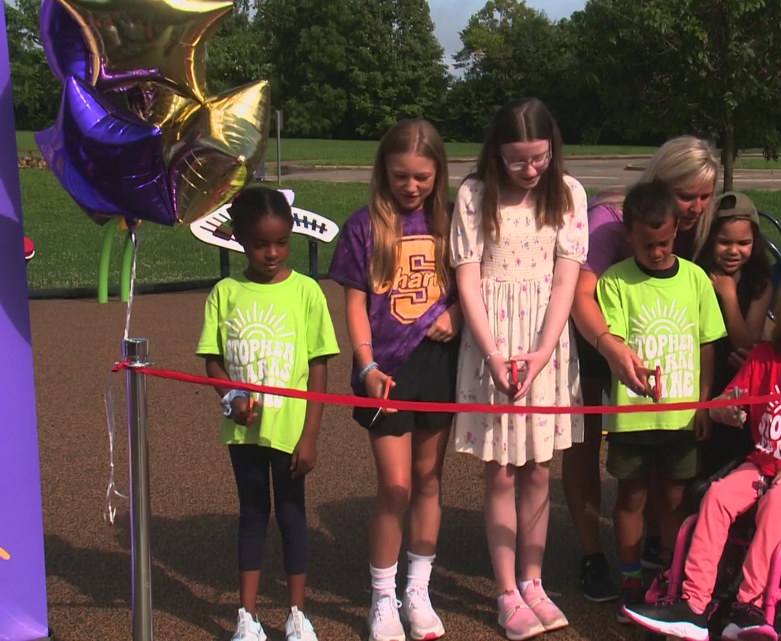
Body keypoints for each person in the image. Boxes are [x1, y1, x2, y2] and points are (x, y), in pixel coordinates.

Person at [621, 262, 781, 641]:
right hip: (763, 462)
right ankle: (693, 604)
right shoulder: (765, 356)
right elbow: (724, 402)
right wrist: (726, 408)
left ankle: (753, 605)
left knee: (777, 501)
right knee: (717, 495)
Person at [450, 97, 588, 641]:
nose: (531, 170)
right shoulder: (474, 195)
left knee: (538, 470)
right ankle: (507, 590)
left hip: (544, 345)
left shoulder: (569, 192)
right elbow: (467, 281)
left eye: (539, 158)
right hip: (493, 341)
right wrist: (492, 355)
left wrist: (542, 352)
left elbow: (565, 281)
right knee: (502, 470)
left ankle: (534, 581)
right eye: (517, 161)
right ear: (495, 155)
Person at [566, 136, 720, 602]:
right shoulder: (611, 222)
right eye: (687, 195)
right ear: (660, 184)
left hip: (657, 340)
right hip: (595, 330)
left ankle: (656, 546)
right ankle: (593, 555)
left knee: (663, 460)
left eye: (705, 196)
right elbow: (580, 295)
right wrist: (611, 347)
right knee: (586, 442)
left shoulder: (687, 229)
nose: (696, 206)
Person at [327, 118, 461, 641]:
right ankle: (382, 598)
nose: (411, 186)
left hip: (438, 365)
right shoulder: (364, 225)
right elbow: (355, 304)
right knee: (396, 485)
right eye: (402, 175)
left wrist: (458, 317)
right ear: (383, 170)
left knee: (429, 480)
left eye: (422, 177)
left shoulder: (450, 221)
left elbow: (470, 286)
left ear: (437, 175)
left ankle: (418, 591)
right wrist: (365, 365)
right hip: (386, 369)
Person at [196, 187, 340, 641]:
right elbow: (212, 358)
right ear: (238, 239)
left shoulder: (307, 292)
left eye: (281, 242)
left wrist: (311, 434)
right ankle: (247, 616)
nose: (272, 252)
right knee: (252, 513)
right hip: (244, 433)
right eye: (260, 244)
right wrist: (230, 396)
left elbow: (319, 366)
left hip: (291, 430)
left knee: (292, 514)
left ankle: (297, 613)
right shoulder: (225, 292)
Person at [595, 180, 726, 619]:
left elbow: (709, 343)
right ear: (629, 234)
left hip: (681, 416)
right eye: (648, 244)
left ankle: (671, 577)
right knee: (631, 497)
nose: (657, 252)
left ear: (676, 234)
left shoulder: (695, 279)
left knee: (674, 499)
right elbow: (612, 339)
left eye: (665, 243)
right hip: (631, 417)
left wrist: (705, 403)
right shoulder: (615, 282)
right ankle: (631, 576)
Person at [693, 191, 773, 476]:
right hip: (703, 378)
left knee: (735, 459)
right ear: (710, 239)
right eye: (724, 242)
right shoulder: (697, 274)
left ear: (755, 243)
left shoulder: (759, 282)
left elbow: (746, 342)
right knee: (700, 460)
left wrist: (728, 296)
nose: (733, 250)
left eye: (743, 243)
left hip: (738, 383)